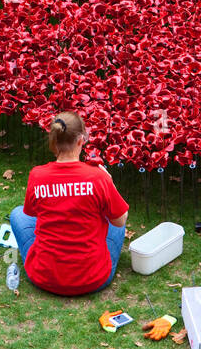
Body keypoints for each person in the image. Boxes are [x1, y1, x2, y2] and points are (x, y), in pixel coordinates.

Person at [9, 111, 129, 296]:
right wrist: (110, 183)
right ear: (81, 140)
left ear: (53, 141)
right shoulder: (98, 177)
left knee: (18, 214)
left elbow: (31, 213)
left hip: (44, 277)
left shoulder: (37, 175)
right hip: (94, 279)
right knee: (115, 218)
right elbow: (120, 221)